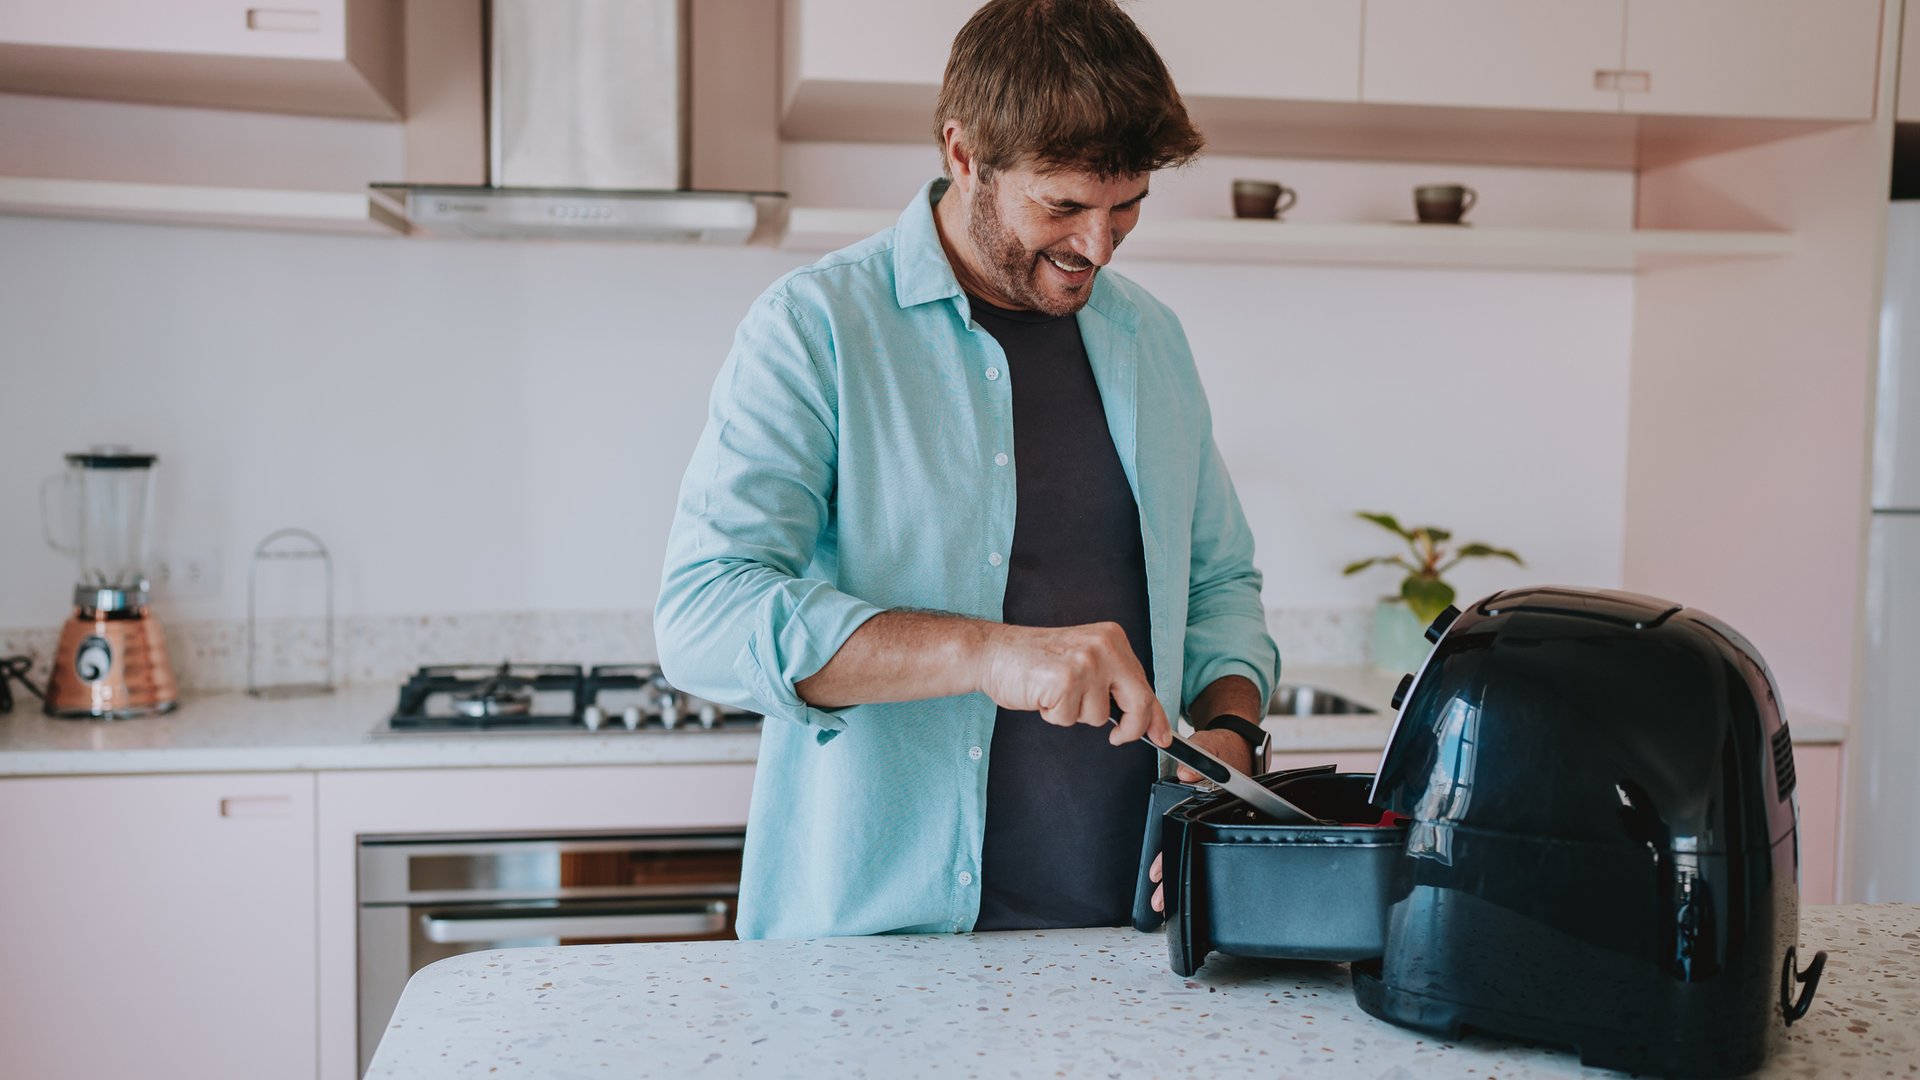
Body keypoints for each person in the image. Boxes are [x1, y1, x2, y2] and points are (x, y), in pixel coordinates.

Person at [656, 0, 1280, 940]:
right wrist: (990, 652)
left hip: (1127, 943)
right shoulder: (816, 328)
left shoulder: (1150, 338)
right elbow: (703, 614)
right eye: (1063, 205)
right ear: (963, 152)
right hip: (879, 952)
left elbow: (1220, 580)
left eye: (1128, 206)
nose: (1098, 247)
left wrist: (1229, 730)